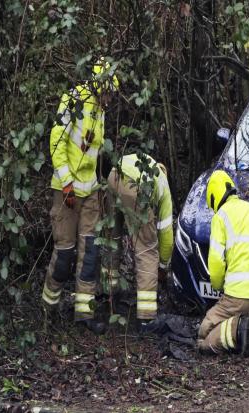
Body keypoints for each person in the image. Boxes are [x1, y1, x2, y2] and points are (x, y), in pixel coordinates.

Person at [42, 57, 119, 334]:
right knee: (64, 254)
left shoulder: (101, 109)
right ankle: (47, 311)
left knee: (90, 253)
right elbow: (56, 141)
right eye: (108, 92)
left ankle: (83, 315)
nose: (110, 98)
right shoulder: (73, 99)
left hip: (90, 191)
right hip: (67, 190)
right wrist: (65, 184)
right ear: (99, 84)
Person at [197, 170, 249, 355]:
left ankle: (240, 328)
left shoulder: (221, 216)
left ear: (214, 197)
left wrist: (218, 286)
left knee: (204, 335)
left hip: (236, 296)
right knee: (232, 324)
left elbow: (216, 262)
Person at [102, 153, 174, 331]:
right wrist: (163, 266)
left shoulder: (147, 161)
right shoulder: (163, 186)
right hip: (136, 188)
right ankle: (146, 319)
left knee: (112, 238)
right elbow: (166, 237)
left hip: (113, 176)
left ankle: (108, 295)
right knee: (147, 250)